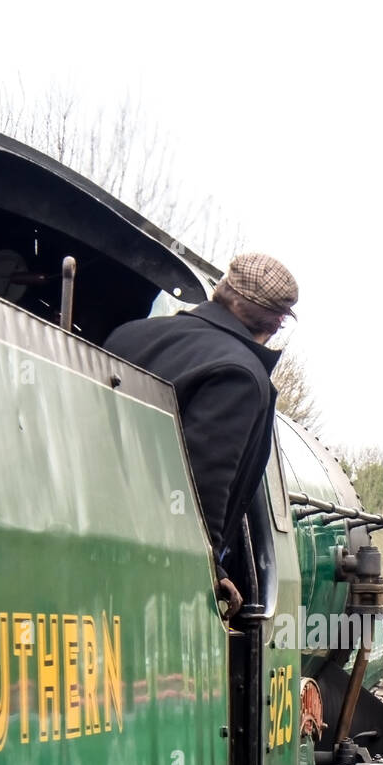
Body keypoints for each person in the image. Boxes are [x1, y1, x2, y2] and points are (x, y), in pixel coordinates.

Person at [104, 252, 299, 618]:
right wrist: (208, 571)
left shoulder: (128, 335)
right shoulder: (238, 373)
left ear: (219, 290)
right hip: (148, 581)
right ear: (277, 323)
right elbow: (199, 485)